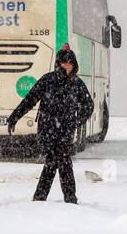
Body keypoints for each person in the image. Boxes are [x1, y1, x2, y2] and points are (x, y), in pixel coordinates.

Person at [7, 45, 93, 204]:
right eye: (65, 62)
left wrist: (77, 121)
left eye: (71, 62)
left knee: (55, 163)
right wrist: (15, 117)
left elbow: (88, 105)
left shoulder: (76, 83)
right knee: (60, 163)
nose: (68, 65)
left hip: (65, 131)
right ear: (59, 63)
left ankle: (43, 198)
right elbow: (30, 99)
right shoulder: (48, 80)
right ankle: (67, 198)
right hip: (48, 130)